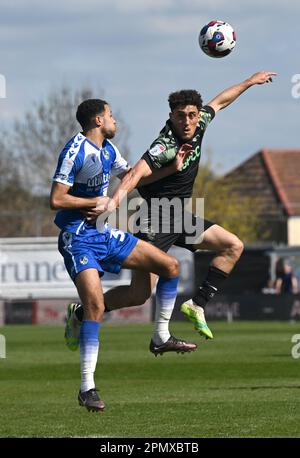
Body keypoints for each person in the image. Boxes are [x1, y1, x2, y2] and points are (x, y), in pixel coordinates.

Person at [66, 71, 276, 357]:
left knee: (233, 245)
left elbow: (222, 101)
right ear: (171, 116)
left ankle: (196, 304)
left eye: (191, 115)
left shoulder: (200, 122)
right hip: (154, 218)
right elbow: (134, 175)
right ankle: (87, 315)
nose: (187, 121)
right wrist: (113, 203)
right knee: (139, 294)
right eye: (181, 116)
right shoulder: (164, 145)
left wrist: (250, 82)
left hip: (179, 216)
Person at [50, 98, 196, 412]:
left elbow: (133, 180)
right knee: (97, 306)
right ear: (99, 121)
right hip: (78, 240)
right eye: (111, 115)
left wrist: (172, 168)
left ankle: (160, 336)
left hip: (104, 234)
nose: (116, 120)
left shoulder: (108, 151)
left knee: (168, 267)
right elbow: (57, 199)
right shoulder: (75, 150)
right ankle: (87, 387)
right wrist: (94, 204)